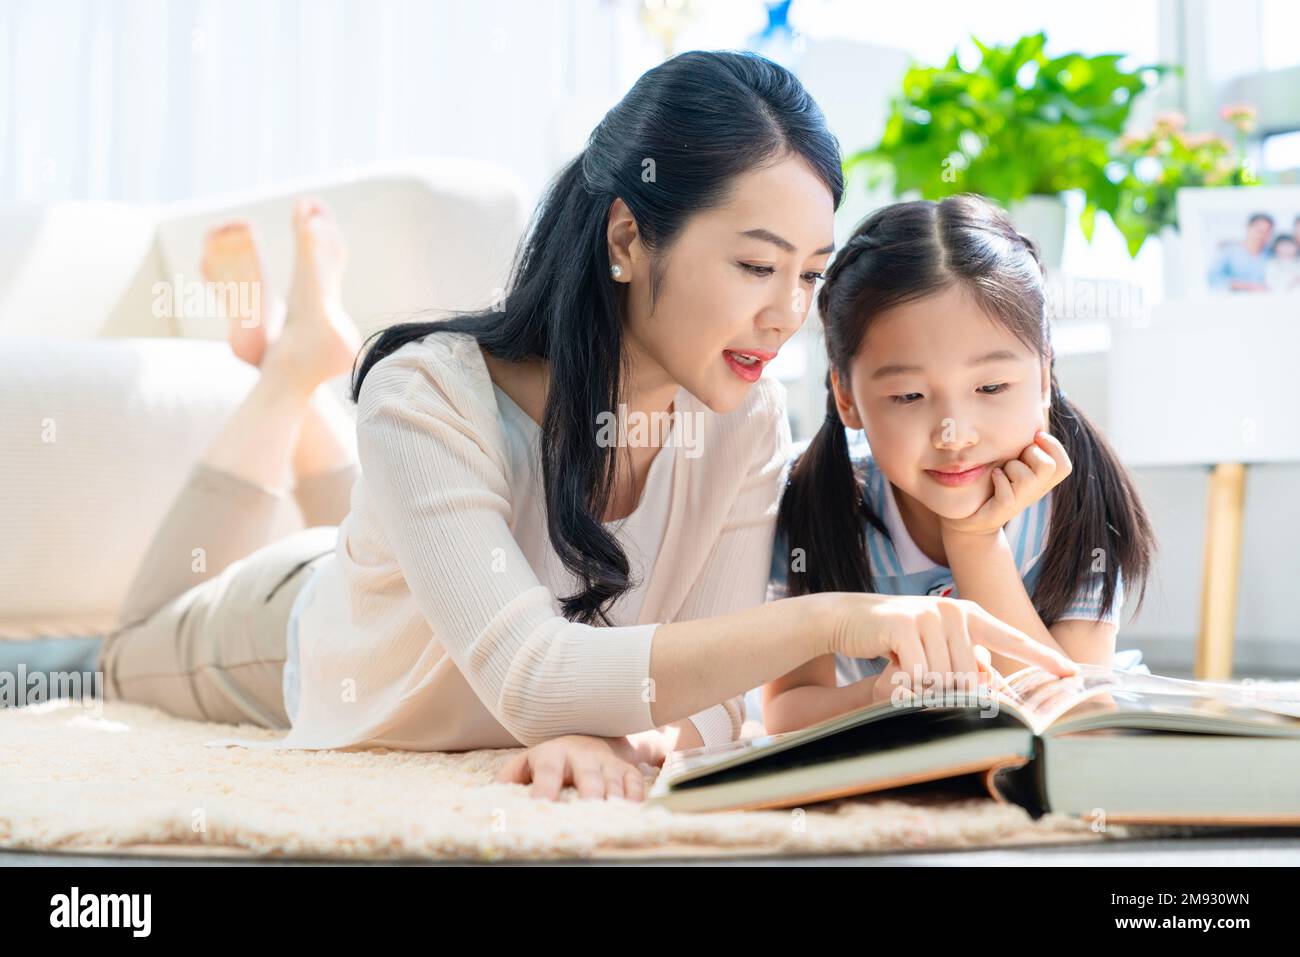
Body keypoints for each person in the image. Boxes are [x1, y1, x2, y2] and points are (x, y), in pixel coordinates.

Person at [99, 52, 1076, 803]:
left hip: (406, 564)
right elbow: (531, 675)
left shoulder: (740, 421)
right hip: (293, 630)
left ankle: (303, 365)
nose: (787, 315)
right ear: (625, 238)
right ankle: (293, 375)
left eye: (809, 275)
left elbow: (715, 708)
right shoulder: (424, 393)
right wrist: (836, 619)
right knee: (120, 653)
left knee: (383, 536)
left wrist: (618, 739)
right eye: (753, 266)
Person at [763, 195, 1155, 733]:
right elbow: (787, 712)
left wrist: (974, 538)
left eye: (991, 387)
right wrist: (881, 694)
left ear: (1043, 379)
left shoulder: (1077, 498)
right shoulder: (817, 503)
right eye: (908, 396)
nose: (955, 434)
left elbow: (1079, 721)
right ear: (847, 396)